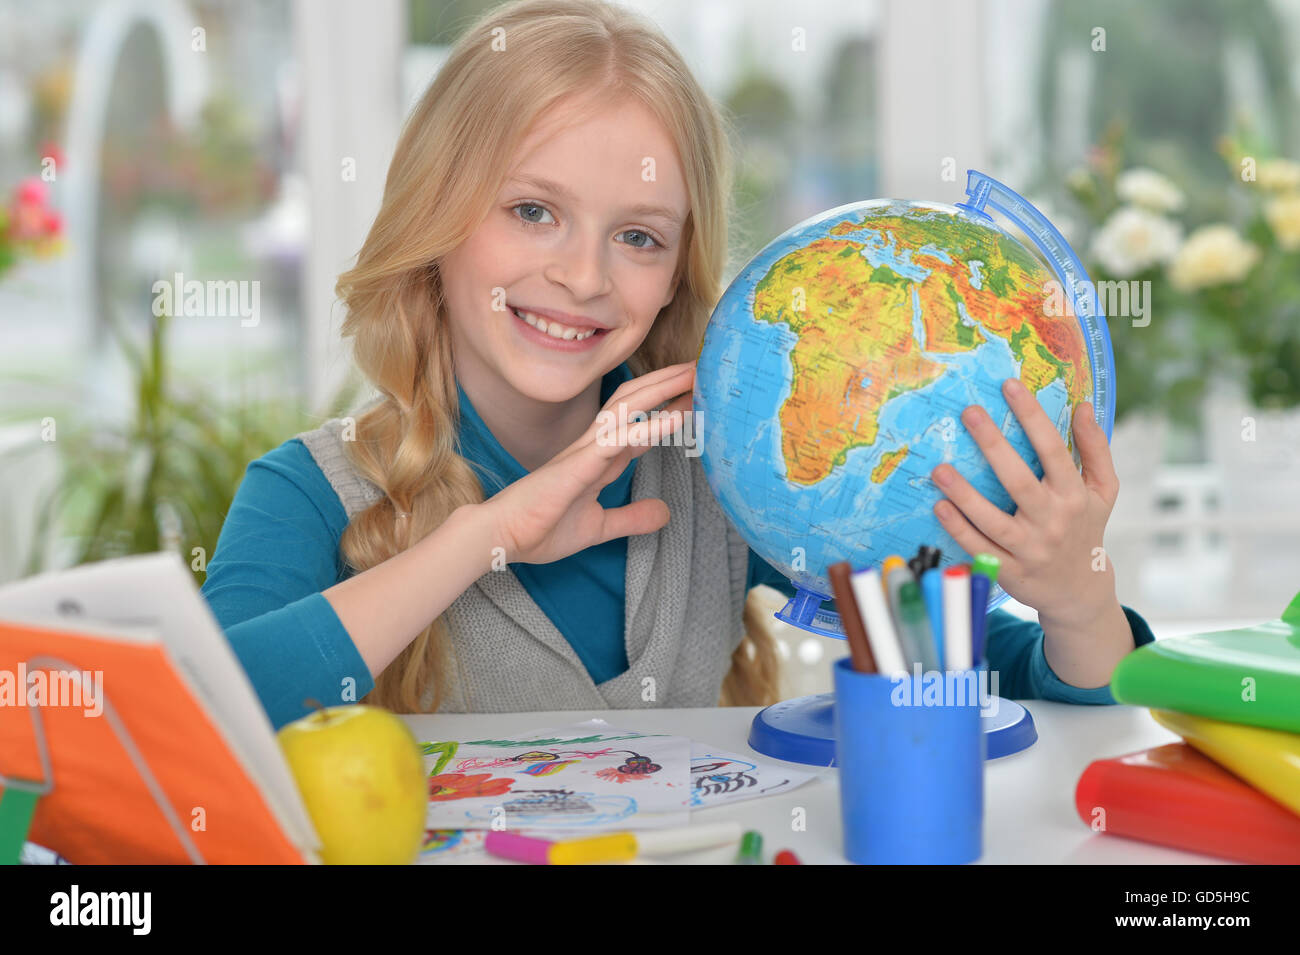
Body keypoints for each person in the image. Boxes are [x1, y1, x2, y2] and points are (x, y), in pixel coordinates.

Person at [200, 0, 1154, 730]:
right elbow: (200, 720)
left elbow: (1025, 680)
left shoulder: (733, 467)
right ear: (435, 218)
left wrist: (1077, 599)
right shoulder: (307, 495)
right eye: (532, 211)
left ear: (675, 277)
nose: (583, 277)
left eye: (639, 237)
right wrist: (483, 538)